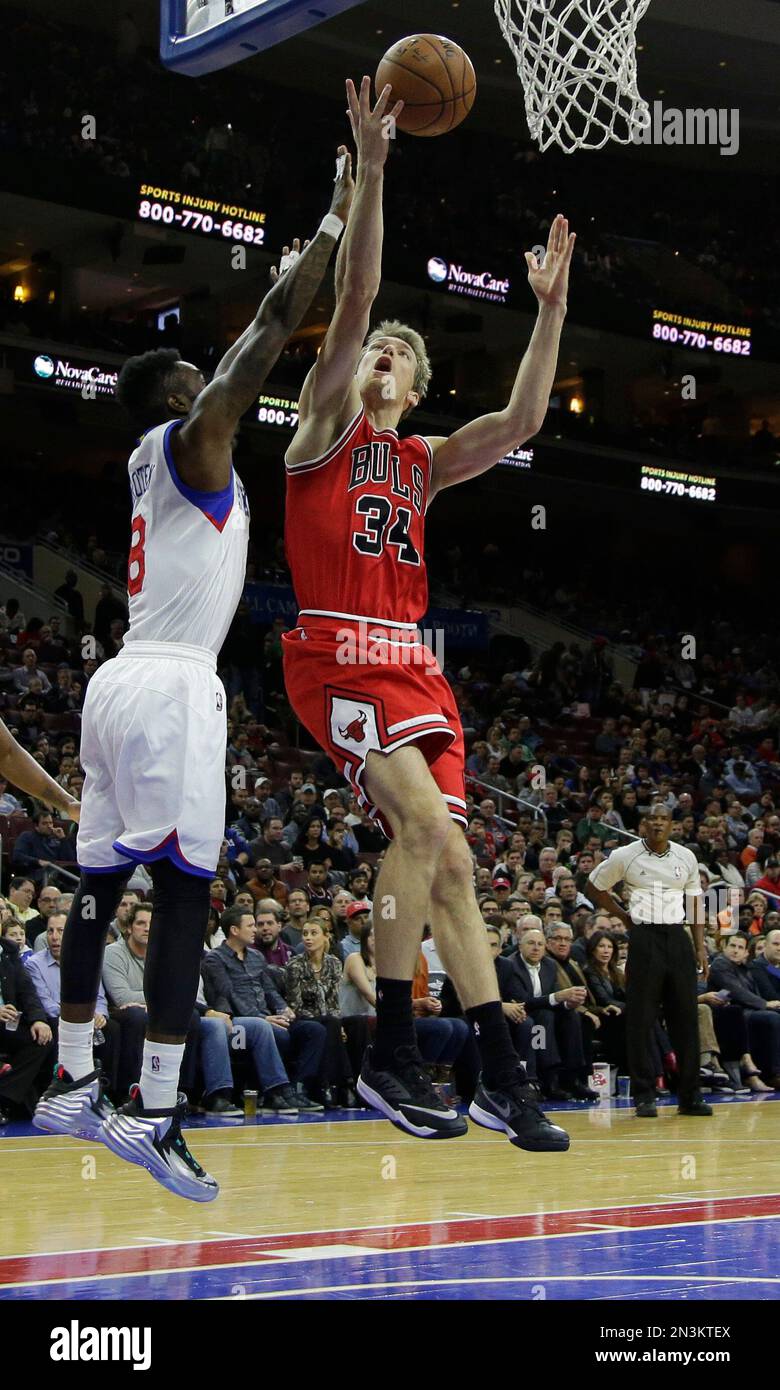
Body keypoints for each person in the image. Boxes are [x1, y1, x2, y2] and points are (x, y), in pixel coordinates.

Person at [33, 156, 354, 1201]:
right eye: (198, 375)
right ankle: (158, 1107)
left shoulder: (146, 460)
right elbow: (267, 327)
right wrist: (335, 218)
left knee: (96, 884)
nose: (213, 379)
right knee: (183, 894)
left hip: (119, 681)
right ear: (183, 394)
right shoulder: (196, 436)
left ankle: (74, 1079)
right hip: (170, 686)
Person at [280, 75, 573, 1152]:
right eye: (373, 350)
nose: (380, 356)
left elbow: (527, 416)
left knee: (451, 861)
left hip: (414, 668)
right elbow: (352, 304)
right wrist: (373, 177)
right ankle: (389, 1055)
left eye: (400, 353)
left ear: (417, 380)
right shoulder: (322, 433)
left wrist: (548, 313)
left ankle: (499, 1067)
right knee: (418, 825)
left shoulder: (421, 461)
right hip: (337, 658)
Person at [588, 802, 712, 1119]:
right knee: (641, 1018)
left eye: (664, 819)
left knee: (685, 1017)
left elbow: (696, 903)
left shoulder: (686, 856)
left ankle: (690, 1096)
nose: (658, 823)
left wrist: (700, 946)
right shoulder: (625, 855)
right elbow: (593, 886)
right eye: (653, 818)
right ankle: (645, 1095)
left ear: (672, 825)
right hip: (644, 937)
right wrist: (623, 917)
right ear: (644, 824)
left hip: (678, 937)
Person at [201, 907, 326, 1111]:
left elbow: (269, 990)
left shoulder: (256, 956)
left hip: (266, 1018)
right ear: (234, 930)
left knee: (314, 1031)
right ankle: (277, 1091)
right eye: (250, 925)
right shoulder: (215, 959)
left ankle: (298, 1089)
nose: (255, 930)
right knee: (266, 1029)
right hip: (237, 1021)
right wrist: (261, 1018)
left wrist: (283, 1009)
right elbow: (226, 996)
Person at [24, 914, 119, 1096]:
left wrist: (100, 1014)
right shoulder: (34, 964)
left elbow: (99, 997)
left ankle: (107, 1092)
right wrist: (82, 1015)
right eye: (50, 931)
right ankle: (63, 1091)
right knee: (55, 1025)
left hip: (86, 1016)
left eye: (60, 931)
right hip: (58, 1018)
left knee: (111, 1028)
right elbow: (46, 1004)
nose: (54, 937)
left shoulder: (86, 960)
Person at [284, 918, 357, 1106]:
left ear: (326, 937)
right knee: (329, 1025)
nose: (308, 938)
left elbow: (334, 1001)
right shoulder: (295, 965)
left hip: (328, 1021)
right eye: (305, 934)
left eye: (313, 933)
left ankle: (335, 1084)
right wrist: (330, 1021)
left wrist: (337, 1024)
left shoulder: (334, 963)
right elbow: (295, 1005)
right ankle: (343, 1083)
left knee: (358, 1023)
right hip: (301, 1021)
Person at [0, 931, 53, 1120]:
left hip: (7, 1022)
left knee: (41, 1040)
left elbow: (26, 990)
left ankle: (4, 1098)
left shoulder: (8, 949)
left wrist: (38, 1020)